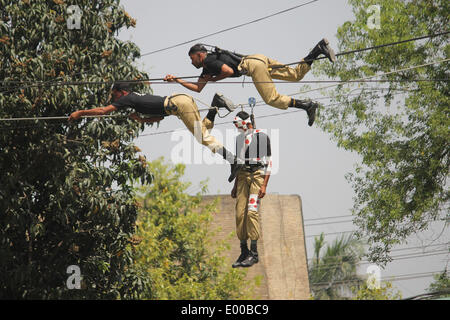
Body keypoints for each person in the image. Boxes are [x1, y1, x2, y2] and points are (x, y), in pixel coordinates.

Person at [68, 82, 241, 179]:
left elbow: (103, 111)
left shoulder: (126, 98)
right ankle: (216, 102)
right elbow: (159, 117)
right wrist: (142, 120)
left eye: (114, 95)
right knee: (205, 128)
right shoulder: (135, 98)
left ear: (121, 92)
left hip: (178, 104)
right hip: (179, 102)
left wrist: (80, 113)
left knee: (202, 137)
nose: (114, 98)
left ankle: (233, 161)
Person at [164, 39, 336, 127]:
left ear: (199, 55)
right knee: (295, 75)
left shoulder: (208, 62)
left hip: (252, 66)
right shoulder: (206, 68)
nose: (191, 62)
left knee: (271, 99)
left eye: (192, 58)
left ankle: (307, 106)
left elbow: (228, 71)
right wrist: (177, 80)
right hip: (257, 59)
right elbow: (198, 88)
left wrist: (215, 79)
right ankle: (318, 49)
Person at [230, 111, 272, 268]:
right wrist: (235, 185)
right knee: (240, 213)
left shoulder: (262, 138)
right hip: (242, 177)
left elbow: (269, 163)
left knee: (252, 211)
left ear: (245, 122)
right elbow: (238, 163)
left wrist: (264, 185)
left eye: (237, 125)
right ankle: (244, 251)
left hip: (257, 176)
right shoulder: (238, 140)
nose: (236, 128)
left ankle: (254, 254)